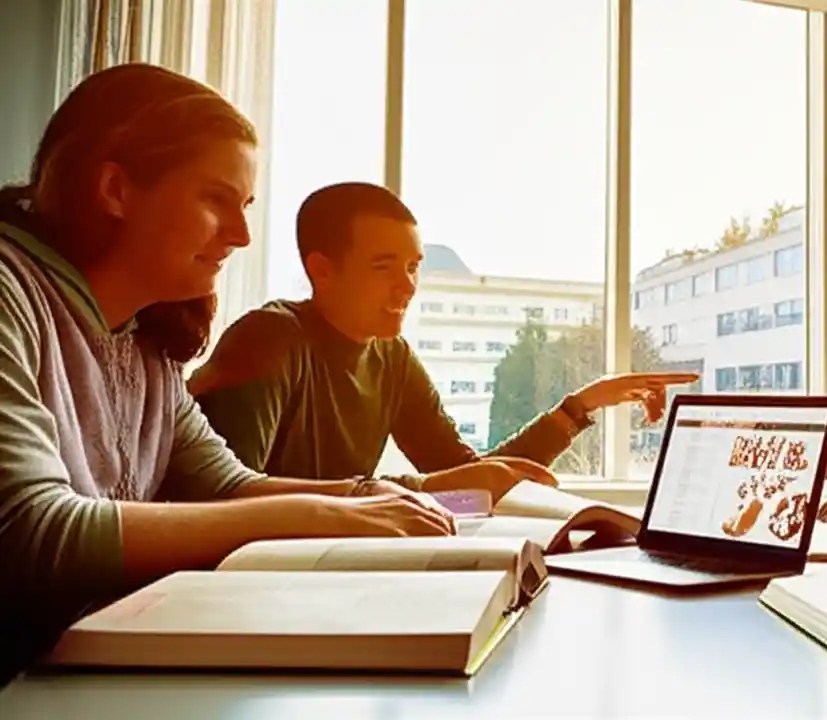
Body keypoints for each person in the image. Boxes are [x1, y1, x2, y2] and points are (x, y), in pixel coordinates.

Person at [0, 63, 506, 679]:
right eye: (217, 200)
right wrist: (321, 514)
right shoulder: (12, 292)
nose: (241, 234)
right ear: (116, 190)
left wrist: (369, 497)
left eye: (244, 206)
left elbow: (227, 484)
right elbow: (33, 532)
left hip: (93, 669)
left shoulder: (147, 344)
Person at [187, 182, 697, 497]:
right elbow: (228, 499)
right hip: (252, 583)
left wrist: (585, 403)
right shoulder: (270, 339)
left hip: (333, 568)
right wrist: (402, 494)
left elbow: (464, 475)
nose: (407, 287)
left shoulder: (391, 356)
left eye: (413, 267)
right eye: (384, 267)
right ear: (321, 270)